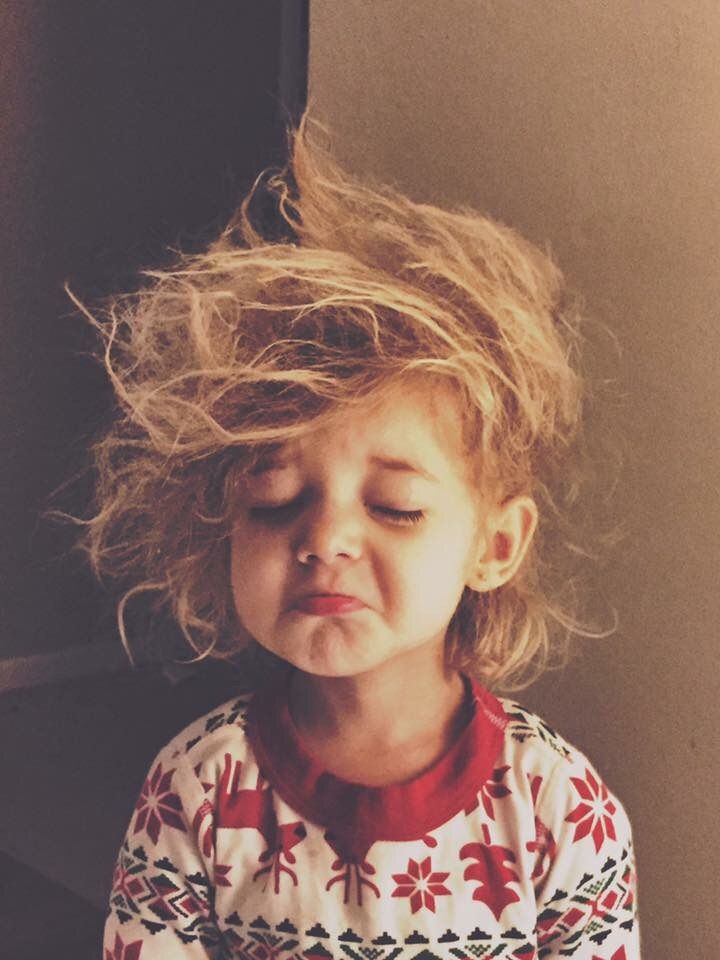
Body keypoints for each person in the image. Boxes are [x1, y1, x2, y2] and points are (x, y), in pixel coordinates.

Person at [88, 116, 640, 958]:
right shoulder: (195, 789)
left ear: (495, 544)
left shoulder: (560, 809)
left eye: (395, 506)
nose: (325, 537)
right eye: (275, 500)